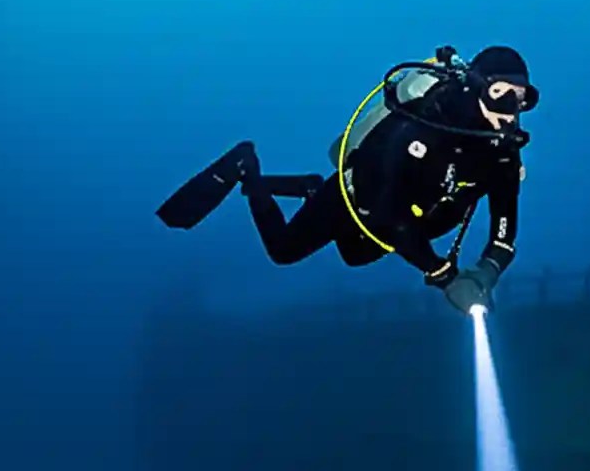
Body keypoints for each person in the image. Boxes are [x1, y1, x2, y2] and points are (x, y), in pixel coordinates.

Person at [155, 45, 540, 315]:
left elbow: (504, 237)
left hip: (408, 223)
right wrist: (444, 276)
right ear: (475, 87)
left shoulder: (502, 152)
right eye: (500, 95)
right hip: (360, 197)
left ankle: (309, 186)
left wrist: (486, 273)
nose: (511, 112)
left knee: (355, 256)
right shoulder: (424, 130)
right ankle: (247, 167)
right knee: (284, 252)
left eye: (520, 100)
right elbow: (388, 213)